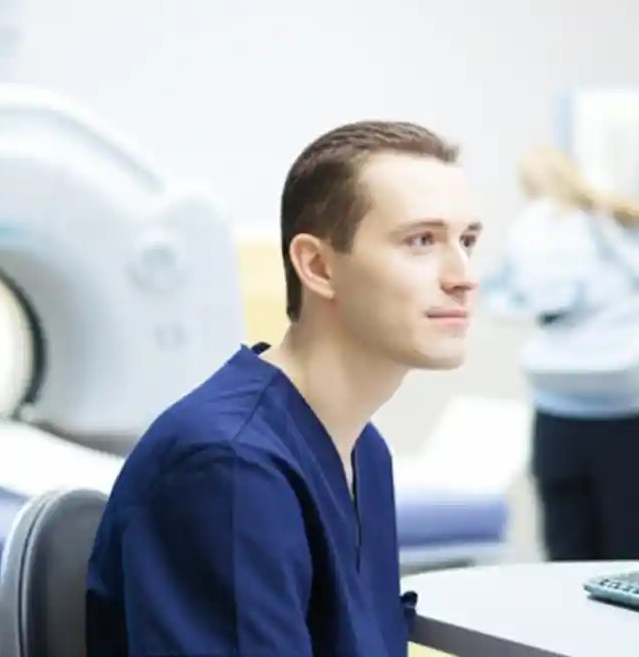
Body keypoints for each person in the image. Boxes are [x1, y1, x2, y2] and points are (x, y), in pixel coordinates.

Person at [85, 121, 481, 656]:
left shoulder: (363, 450)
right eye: (421, 241)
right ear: (317, 266)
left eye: (467, 241)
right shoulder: (229, 467)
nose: (462, 275)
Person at [481, 145, 639, 563]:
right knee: (637, 564)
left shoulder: (539, 228)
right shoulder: (628, 224)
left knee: (566, 563)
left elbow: (510, 299)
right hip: (629, 420)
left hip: (558, 419)